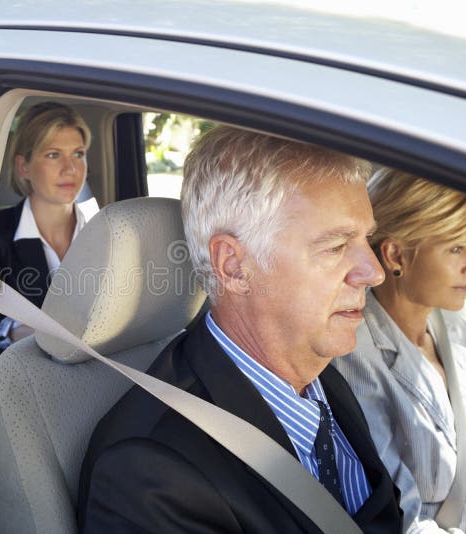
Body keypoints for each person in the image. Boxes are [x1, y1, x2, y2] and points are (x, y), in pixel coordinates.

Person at [77, 126, 402, 532]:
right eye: (336, 246)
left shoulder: (323, 382)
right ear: (233, 266)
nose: (374, 272)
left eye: (366, 239)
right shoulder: (152, 473)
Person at [332, 169, 466, 533]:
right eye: (456, 248)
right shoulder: (354, 354)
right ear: (396, 254)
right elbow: (402, 517)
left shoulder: (461, 320)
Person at [0, 101, 92, 531]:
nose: (70, 167)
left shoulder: (106, 233)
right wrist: (20, 330)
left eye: (78, 153)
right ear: (24, 166)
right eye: (53, 154)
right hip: (18, 401)